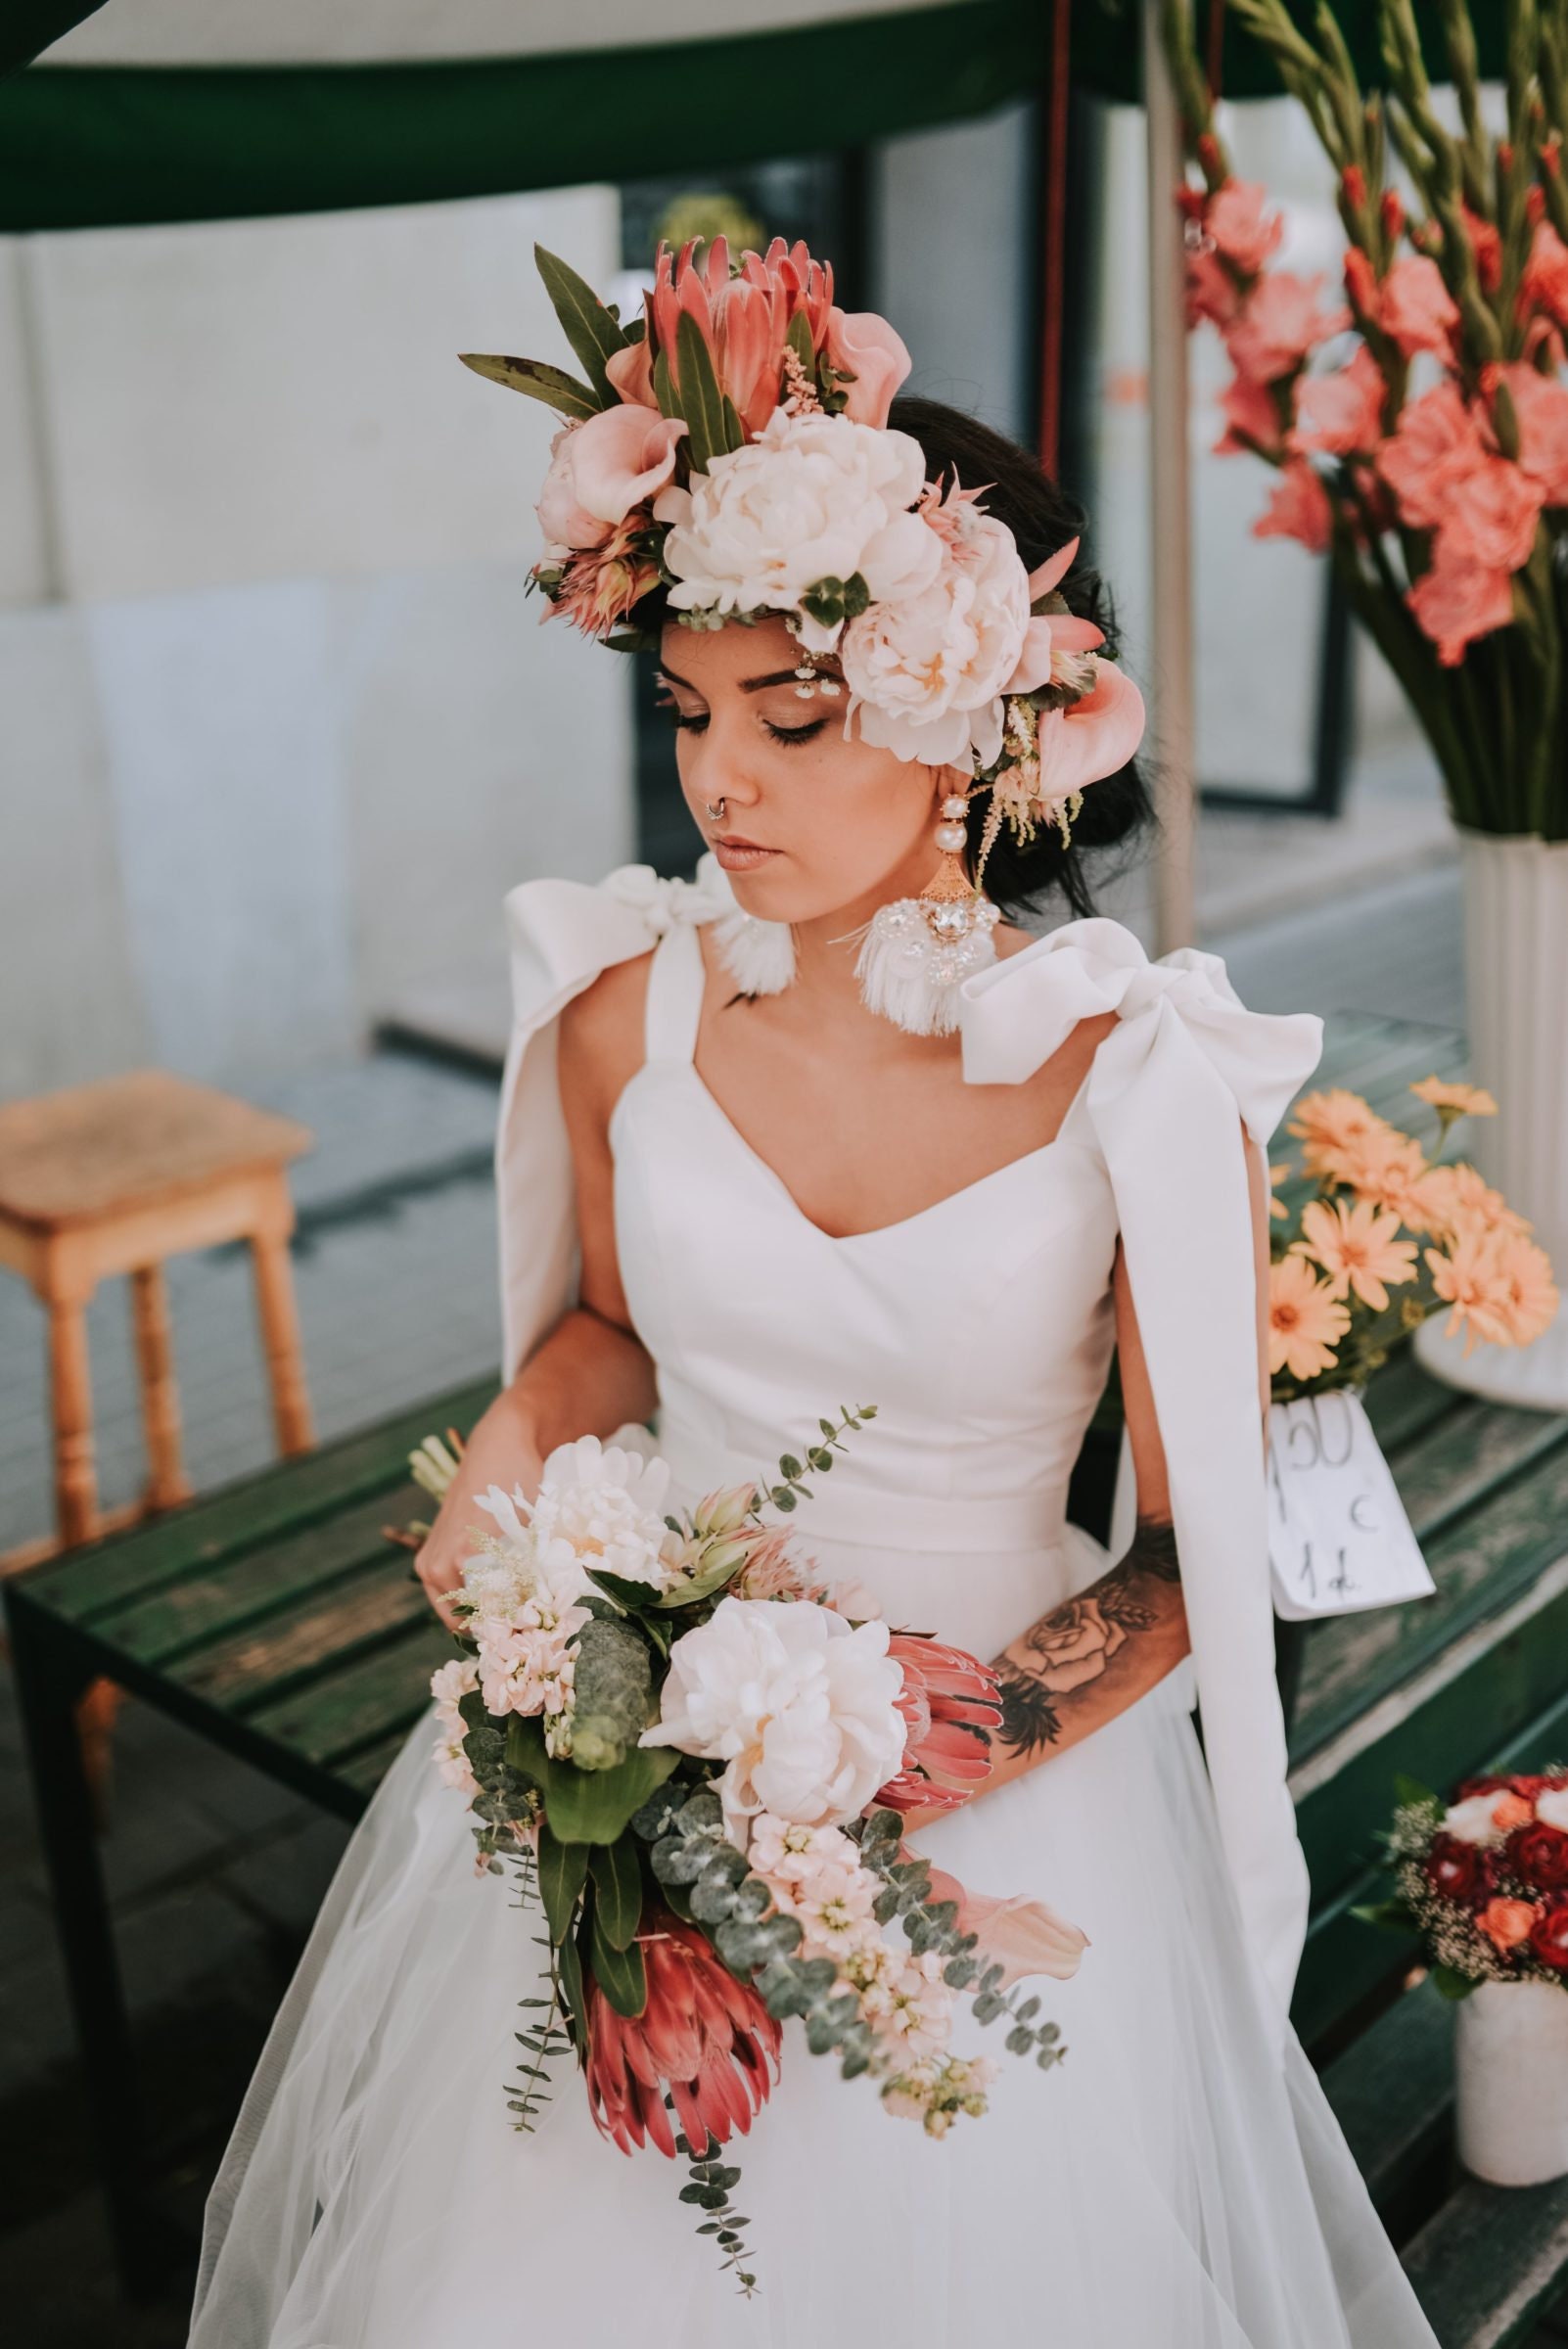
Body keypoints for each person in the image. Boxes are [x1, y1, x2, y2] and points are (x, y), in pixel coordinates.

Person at [189, 241, 1438, 2348]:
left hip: (1001, 1785)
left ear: (963, 712)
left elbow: (1202, 1556)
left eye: (790, 715)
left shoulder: (1140, 1083)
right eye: (687, 714)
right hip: (636, 1726)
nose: (720, 783)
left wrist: (929, 1758)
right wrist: (511, 1477)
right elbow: (598, 1334)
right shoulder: (618, 1012)